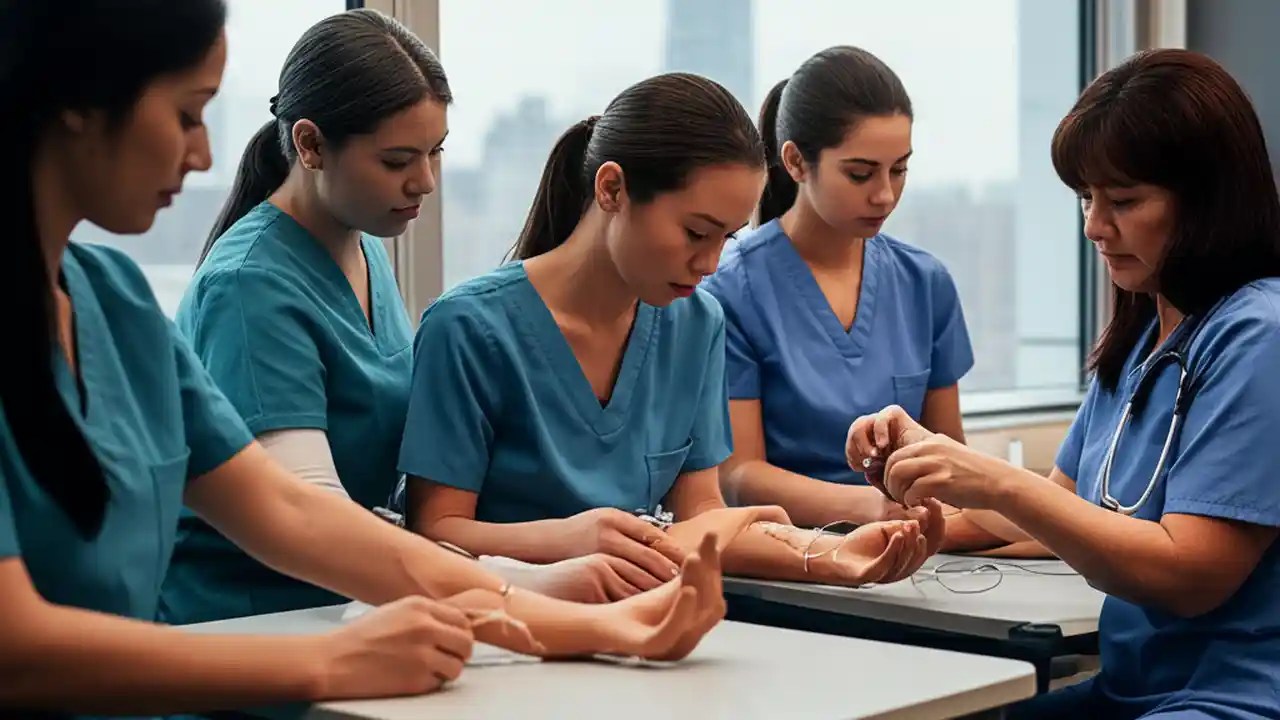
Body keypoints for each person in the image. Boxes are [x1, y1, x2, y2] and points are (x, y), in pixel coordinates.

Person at [0, 2, 735, 715]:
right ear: (80, 102)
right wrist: (337, 661)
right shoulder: (250, 284)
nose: (204, 153)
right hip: (251, 637)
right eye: (188, 114)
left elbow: (295, 513)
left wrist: (598, 629)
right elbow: (18, 645)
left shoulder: (118, 300)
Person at [164, 10, 633, 630]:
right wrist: (522, 582)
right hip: (246, 617)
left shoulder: (365, 250)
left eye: (435, 152)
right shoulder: (250, 287)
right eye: (396, 161)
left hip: (351, 599)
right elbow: (312, 512)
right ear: (309, 145)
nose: (426, 181)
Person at [849, 48, 1280, 720]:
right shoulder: (1147, 339)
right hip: (1139, 690)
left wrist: (991, 481)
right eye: (1087, 199)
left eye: (1124, 201)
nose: (1093, 228)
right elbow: (1063, 506)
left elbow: (1190, 575)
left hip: (1236, 698)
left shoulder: (1260, 333)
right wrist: (926, 487)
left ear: (1206, 199)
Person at [394, 72, 944, 590]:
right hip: (500, 630)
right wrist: (573, 539)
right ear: (612, 189)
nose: (709, 263)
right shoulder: (468, 328)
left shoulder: (696, 323)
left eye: (726, 239)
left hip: (649, 624)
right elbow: (435, 534)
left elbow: (703, 517)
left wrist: (832, 555)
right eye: (695, 232)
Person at [702, 46, 977, 533]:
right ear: (796, 161)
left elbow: (949, 454)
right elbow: (738, 476)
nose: (885, 195)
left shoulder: (925, 283)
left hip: (921, 551)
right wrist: (871, 510)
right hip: (794, 556)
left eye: (899, 170)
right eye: (860, 173)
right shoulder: (730, 290)